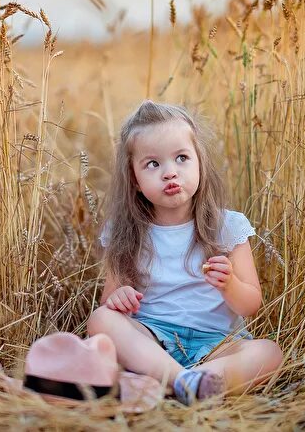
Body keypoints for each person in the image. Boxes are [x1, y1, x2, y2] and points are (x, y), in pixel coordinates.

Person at [87, 100, 283, 406]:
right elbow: (109, 301)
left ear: (199, 162)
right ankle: (187, 382)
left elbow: (250, 305)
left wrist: (230, 285)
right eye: (153, 164)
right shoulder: (126, 233)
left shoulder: (227, 226)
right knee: (101, 320)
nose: (170, 173)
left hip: (216, 344)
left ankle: (170, 381)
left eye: (181, 158)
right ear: (135, 180)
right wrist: (119, 298)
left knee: (269, 353)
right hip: (152, 339)